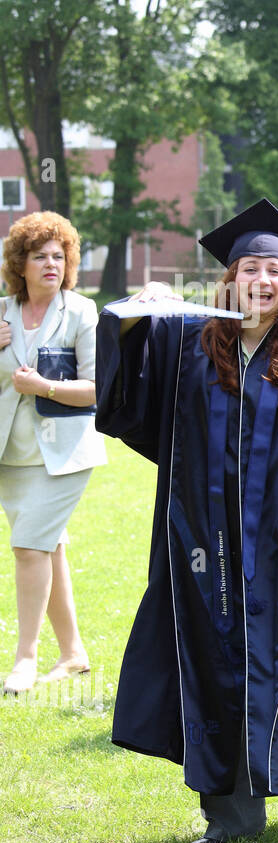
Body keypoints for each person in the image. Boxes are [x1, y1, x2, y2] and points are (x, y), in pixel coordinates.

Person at [96, 199, 278, 843]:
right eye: (248, 267)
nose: (260, 279)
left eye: (274, 269)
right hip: (201, 549)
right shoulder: (188, 341)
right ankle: (232, 819)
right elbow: (127, 400)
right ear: (229, 279)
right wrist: (128, 317)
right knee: (212, 674)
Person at [0, 211, 107, 694]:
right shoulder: (1, 313)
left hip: (64, 454)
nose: (50, 264)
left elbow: (98, 387)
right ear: (19, 264)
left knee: (28, 549)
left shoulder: (83, 311)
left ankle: (25, 659)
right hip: (11, 454)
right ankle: (73, 654)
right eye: (39, 256)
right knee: (47, 548)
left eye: (58, 257)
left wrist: (45, 386)